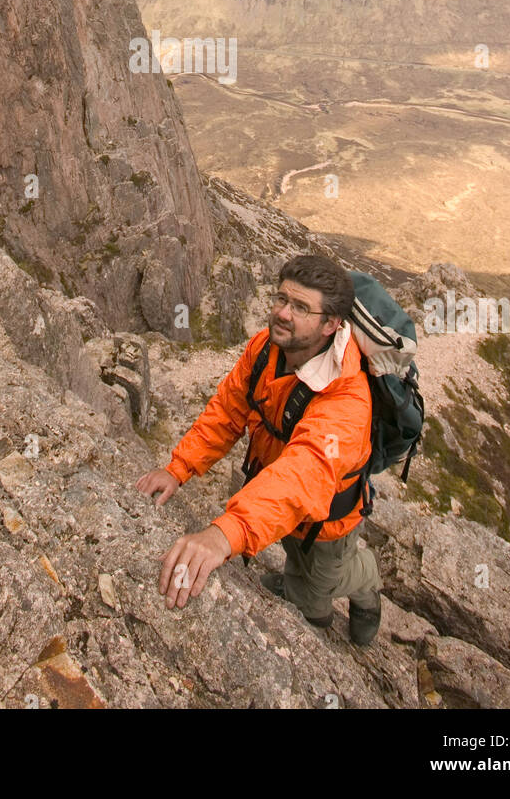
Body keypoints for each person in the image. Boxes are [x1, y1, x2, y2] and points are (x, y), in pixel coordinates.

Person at [135, 252, 383, 646]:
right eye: (282, 299)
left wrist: (224, 535)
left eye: (301, 307)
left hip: (326, 523)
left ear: (331, 324)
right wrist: (178, 467)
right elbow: (228, 411)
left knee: (314, 606)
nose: (283, 313)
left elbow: (302, 476)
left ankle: (366, 581)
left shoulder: (346, 400)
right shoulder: (267, 349)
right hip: (270, 496)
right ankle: (297, 581)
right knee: (293, 567)